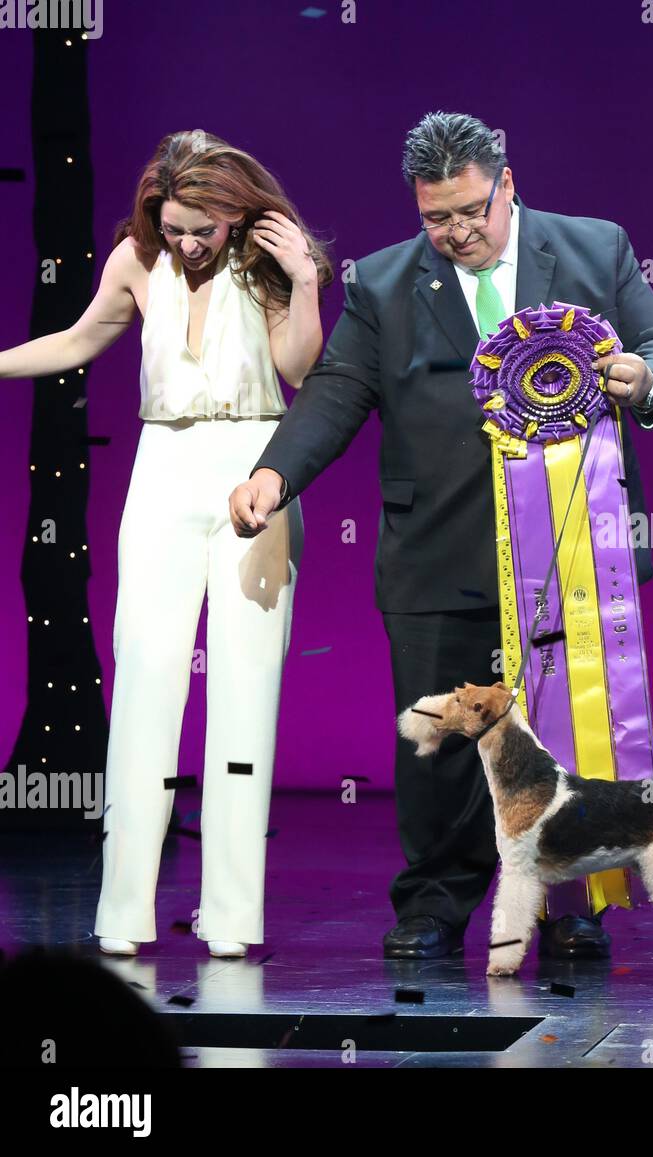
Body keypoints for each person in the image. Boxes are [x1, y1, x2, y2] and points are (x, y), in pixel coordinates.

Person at [228, 111, 653, 961]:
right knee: (439, 740)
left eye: (473, 211)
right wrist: (274, 472)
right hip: (436, 549)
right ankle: (436, 902)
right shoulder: (383, 281)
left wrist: (645, 373)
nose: (457, 232)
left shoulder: (596, 249)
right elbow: (335, 390)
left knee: (564, 733)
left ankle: (572, 902)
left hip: (568, 551)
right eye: (436, 218)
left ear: (507, 184)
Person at [0, 130, 331, 957]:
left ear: (235, 215)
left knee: (246, 691)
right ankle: (121, 915)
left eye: (203, 228)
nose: (187, 241)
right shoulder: (136, 262)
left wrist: (304, 280)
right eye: (175, 224)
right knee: (146, 677)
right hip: (163, 465)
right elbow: (78, 341)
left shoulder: (264, 268)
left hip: (256, 466)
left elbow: (302, 370)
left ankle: (230, 920)